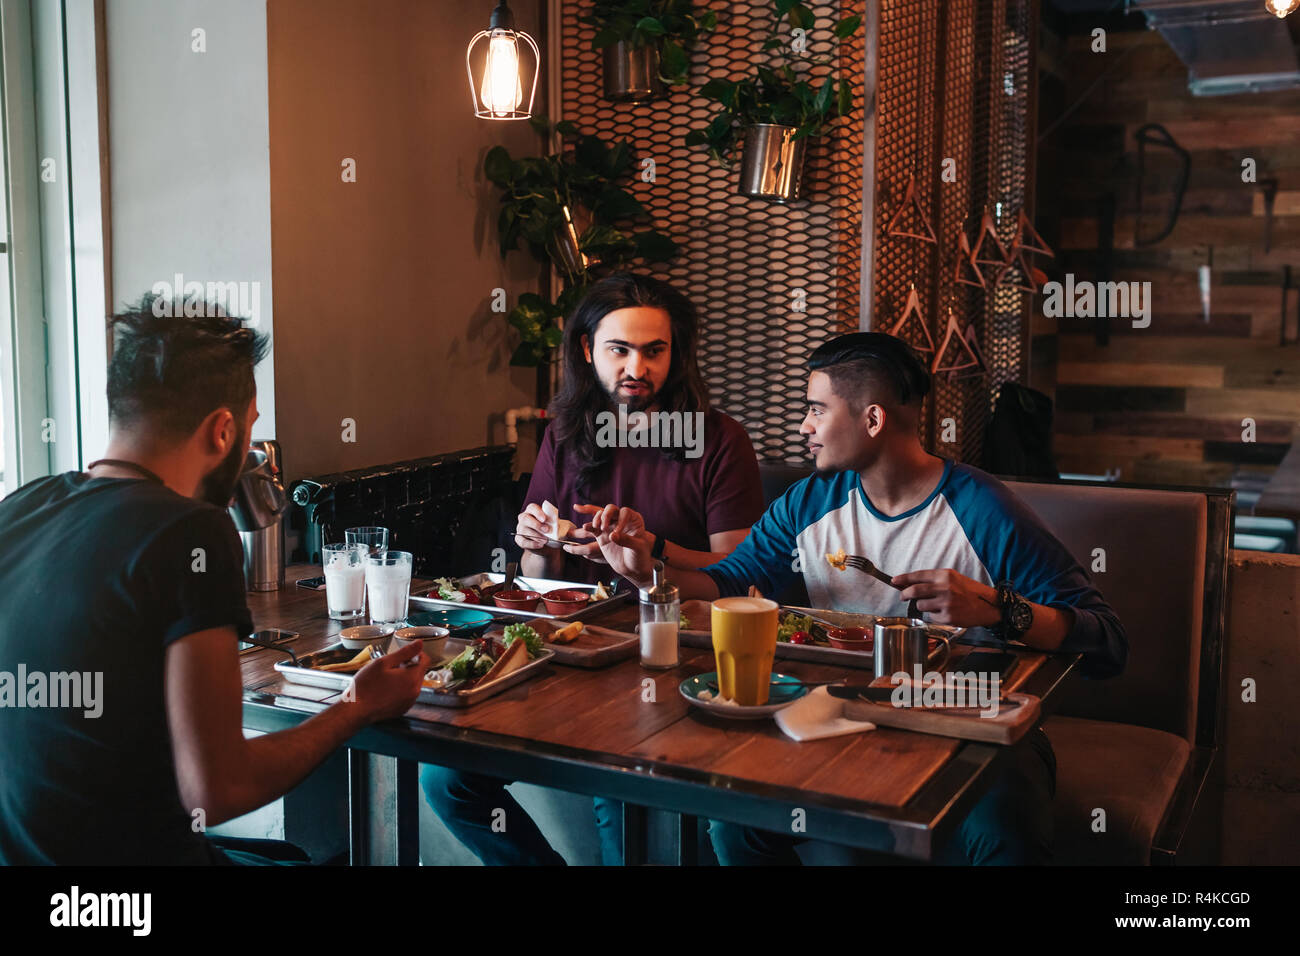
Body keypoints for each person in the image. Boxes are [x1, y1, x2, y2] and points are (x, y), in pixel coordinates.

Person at [582, 331, 1129, 865]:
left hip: (969, 723)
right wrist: (648, 572)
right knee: (733, 825)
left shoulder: (984, 510)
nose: (804, 427)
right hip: (838, 713)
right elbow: (728, 582)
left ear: (872, 419)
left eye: (817, 410)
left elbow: (1107, 642)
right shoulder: (809, 502)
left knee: (1000, 832)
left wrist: (997, 607)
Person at [0, 296, 427, 865]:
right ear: (222, 431)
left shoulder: (23, 505)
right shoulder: (190, 530)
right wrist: (356, 706)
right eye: (251, 427)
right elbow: (217, 789)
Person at [421, 273, 766, 865]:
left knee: (621, 788)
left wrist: (649, 553)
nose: (637, 367)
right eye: (619, 349)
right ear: (588, 350)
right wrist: (533, 542)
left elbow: (740, 572)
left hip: (672, 651)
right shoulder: (565, 434)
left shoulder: (717, 439)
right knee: (443, 777)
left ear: (675, 353)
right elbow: (541, 569)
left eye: (654, 350)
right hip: (573, 650)